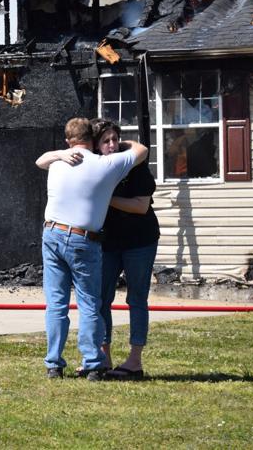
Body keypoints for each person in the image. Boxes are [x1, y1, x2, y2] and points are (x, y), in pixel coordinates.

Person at [35, 117, 148, 381]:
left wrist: (60, 153)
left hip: (51, 233)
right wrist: (122, 142)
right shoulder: (105, 164)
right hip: (83, 239)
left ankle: (53, 364)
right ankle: (93, 362)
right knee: (88, 303)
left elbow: (40, 160)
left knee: (56, 304)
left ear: (68, 141)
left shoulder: (57, 163)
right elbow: (142, 151)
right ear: (93, 140)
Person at [89, 119, 160, 381]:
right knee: (101, 299)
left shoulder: (133, 163)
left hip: (140, 240)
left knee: (136, 298)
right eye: (105, 141)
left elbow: (141, 206)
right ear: (95, 145)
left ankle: (134, 361)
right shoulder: (93, 165)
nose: (112, 145)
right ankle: (103, 357)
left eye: (115, 139)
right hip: (107, 241)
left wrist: (106, 198)